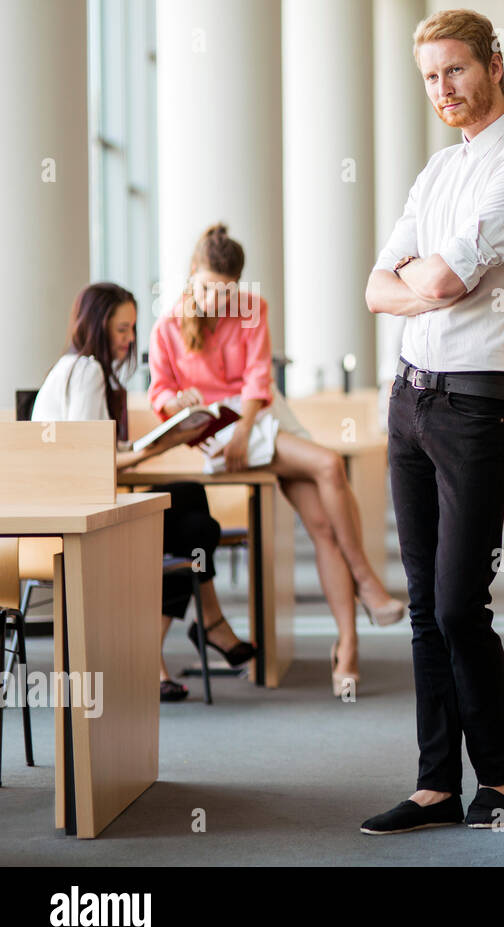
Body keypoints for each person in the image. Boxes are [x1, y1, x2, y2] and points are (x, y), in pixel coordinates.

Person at [360, 8, 504, 834]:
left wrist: (427, 283)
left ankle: (502, 780)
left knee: (457, 604)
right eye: (430, 77)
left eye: (455, 71)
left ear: (493, 65)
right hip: (410, 400)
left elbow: (438, 283)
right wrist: (428, 282)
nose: (442, 90)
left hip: (479, 404)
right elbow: (381, 288)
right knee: (420, 605)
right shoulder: (438, 172)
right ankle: (435, 783)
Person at [149, 224, 406, 698]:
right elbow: (158, 392)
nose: (216, 301)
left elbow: (256, 381)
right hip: (216, 436)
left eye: (226, 292)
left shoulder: (252, 310)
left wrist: (245, 427)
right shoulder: (166, 328)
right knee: (329, 465)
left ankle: (347, 645)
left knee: (323, 525)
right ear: (192, 274)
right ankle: (367, 584)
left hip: (260, 421)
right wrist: (178, 403)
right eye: (207, 288)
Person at [31, 282, 256, 703]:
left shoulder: (76, 369)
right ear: (96, 326)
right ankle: (190, 633)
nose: (130, 339)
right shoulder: (87, 372)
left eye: (132, 328)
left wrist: (156, 442)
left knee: (190, 499)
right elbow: (86, 460)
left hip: (85, 510)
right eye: (121, 329)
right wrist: (163, 445)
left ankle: (197, 629)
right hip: (83, 523)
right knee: (196, 529)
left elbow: (96, 449)